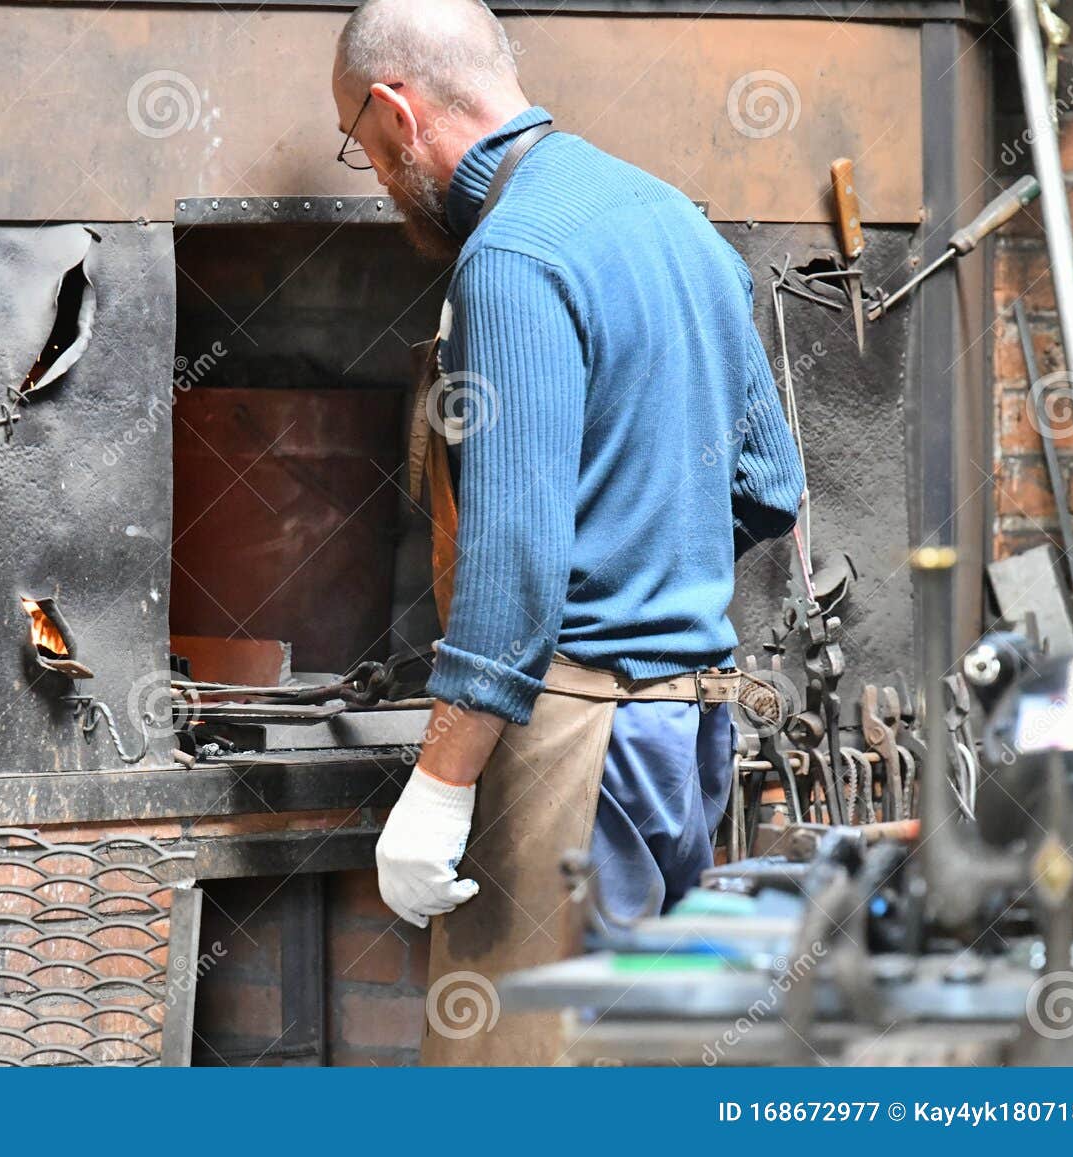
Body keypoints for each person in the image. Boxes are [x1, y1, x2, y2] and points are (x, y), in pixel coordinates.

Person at [331, 0, 806, 1063]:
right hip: (687, 736)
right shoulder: (680, 223)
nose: (381, 176)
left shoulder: (512, 256)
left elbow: (513, 565)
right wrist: (648, 567)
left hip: (575, 743)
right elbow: (769, 481)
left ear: (395, 112)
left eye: (365, 152)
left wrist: (439, 786)